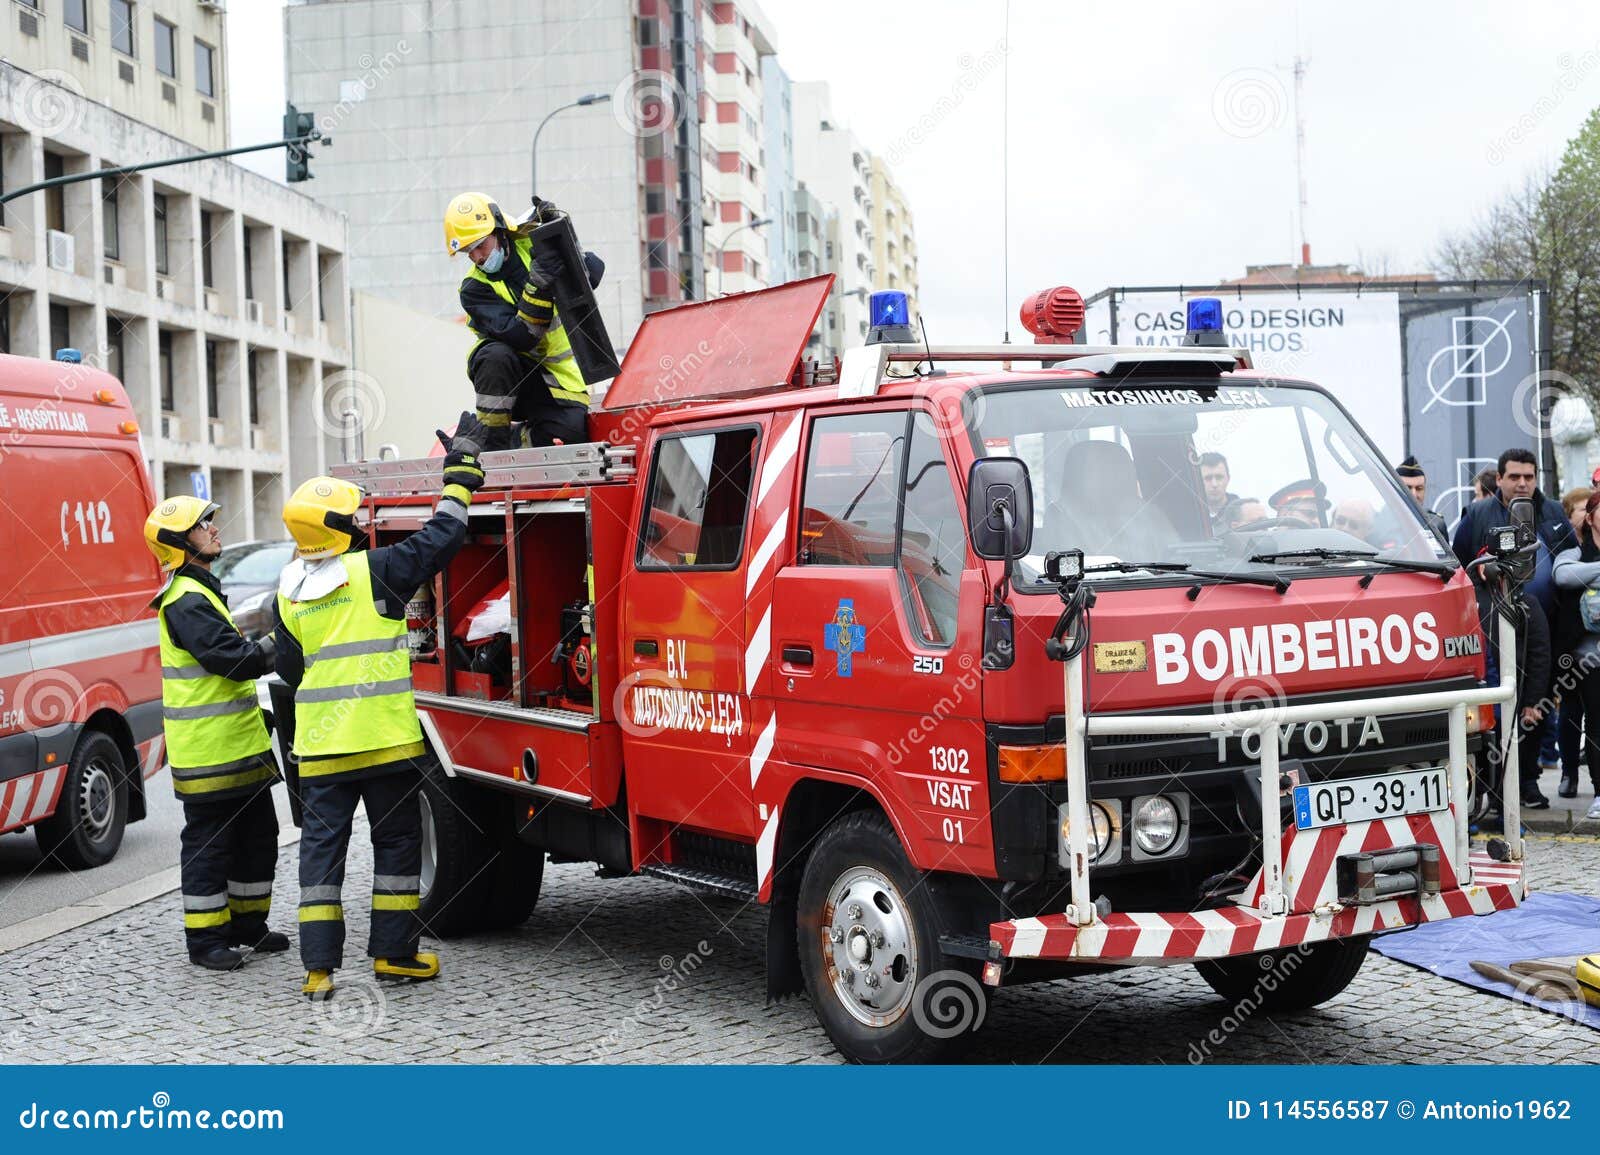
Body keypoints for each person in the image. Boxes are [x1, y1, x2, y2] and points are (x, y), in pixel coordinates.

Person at [274, 414, 487, 1000]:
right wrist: (461, 478)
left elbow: (290, 671)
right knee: (395, 847)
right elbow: (441, 541)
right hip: (383, 743)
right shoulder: (376, 571)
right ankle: (394, 957)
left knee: (321, 857)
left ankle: (318, 970)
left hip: (320, 748)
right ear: (343, 529)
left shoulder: (287, 589)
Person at [143, 496, 286, 971]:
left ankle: (247, 927)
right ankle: (205, 942)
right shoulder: (185, 600)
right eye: (203, 524)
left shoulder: (202, 589)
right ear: (180, 543)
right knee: (210, 847)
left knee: (258, 837)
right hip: (209, 755)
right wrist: (282, 641)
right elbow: (233, 660)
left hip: (237, 749)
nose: (214, 528)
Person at [1452, 448, 1577, 808]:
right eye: (1514, 477)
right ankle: (1494, 789)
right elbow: (1460, 565)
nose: (1522, 483)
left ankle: (1529, 782)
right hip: (1491, 626)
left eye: (1529, 476)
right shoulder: (1477, 513)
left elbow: (1572, 558)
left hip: (1543, 628)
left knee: (1537, 707)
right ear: (1500, 479)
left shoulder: (1553, 513)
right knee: (1496, 709)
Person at [443, 191, 603, 451]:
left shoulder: (532, 246)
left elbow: (593, 271)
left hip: (558, 378)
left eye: (480, 245)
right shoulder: (473, 288)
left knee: (572, 435)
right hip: (510, 379)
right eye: (468, 252)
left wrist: (562, 239)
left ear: (499, 230)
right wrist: (538, 285)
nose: (478, 258)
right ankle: (494, 443)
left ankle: (516, 439)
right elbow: (522, 336)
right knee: (495, 354)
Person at [1552, 491, 1600, 822]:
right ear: (1590, 518)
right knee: (1596, 723)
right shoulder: (1572, 554)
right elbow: (1563, 576)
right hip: (1589, 655)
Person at [1556, 488, 1592, 799]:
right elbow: (1565, 577)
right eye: (1578, 509)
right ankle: (1569, 772)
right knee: (1570, 711)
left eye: (1587, 509)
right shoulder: (1569, 552)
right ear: (1570, 517)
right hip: (1571, 646)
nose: (1584, 514)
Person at [1395, 456, 1449, 539]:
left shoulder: (1436, 524)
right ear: (1395, 489)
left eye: (1419, 488)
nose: (1414, 494)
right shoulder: (1381, 524)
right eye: (1407, 488)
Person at [1199, 452, 1240, 532]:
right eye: (1208, 478)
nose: (1214, 484)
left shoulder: (1242, 513)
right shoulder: (1187, 514)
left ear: (1228, 479)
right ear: (1197, 480)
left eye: (1219, 477)